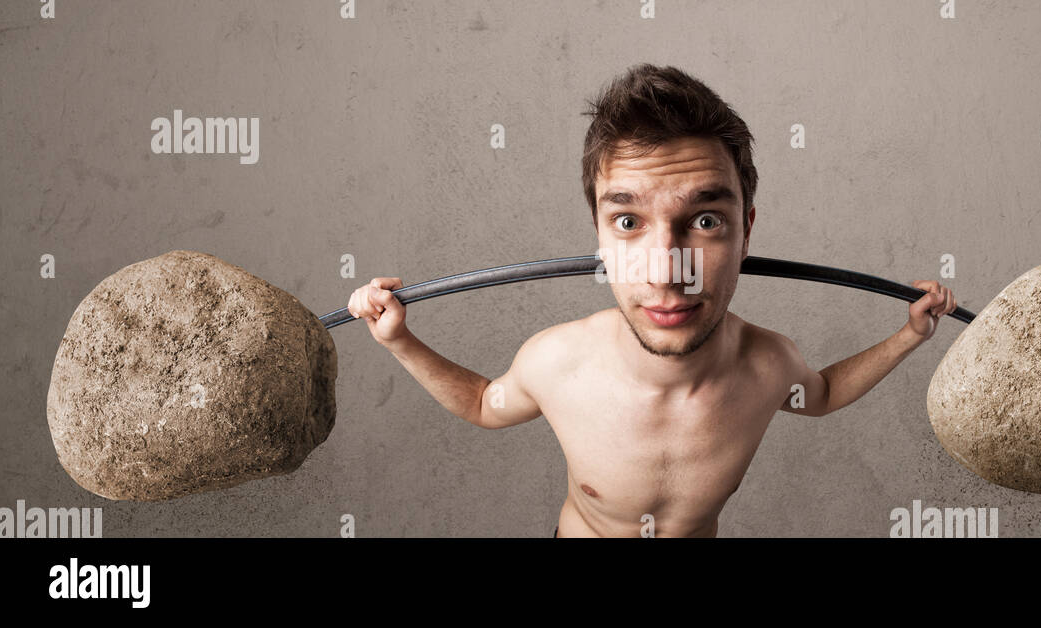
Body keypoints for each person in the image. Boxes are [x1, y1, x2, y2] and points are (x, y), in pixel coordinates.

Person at [347, 64, 957, 537]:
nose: (668, 273)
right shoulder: (558, 362)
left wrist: (909, 335)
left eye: (706, 222)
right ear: (598, 235)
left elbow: (820, 395)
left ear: (748, 229)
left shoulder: (769, 366)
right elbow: (484, 403)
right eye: (629, 222)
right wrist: (398, 338)